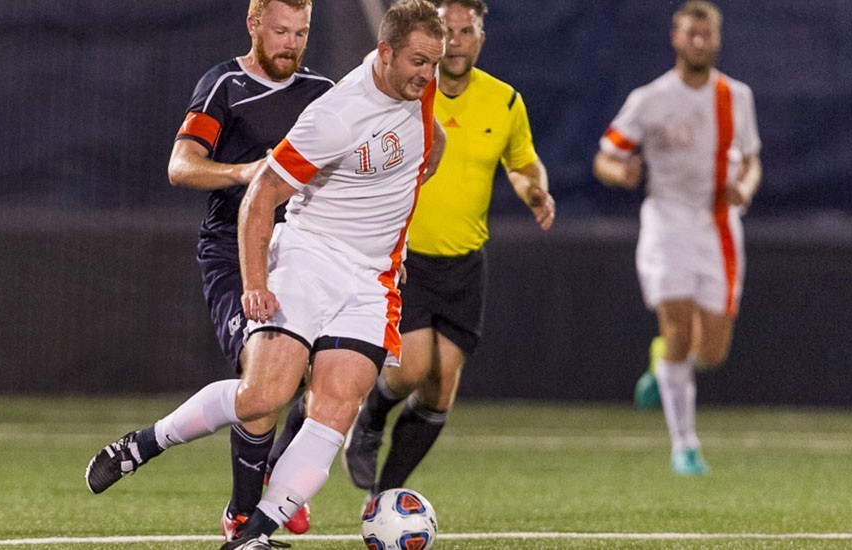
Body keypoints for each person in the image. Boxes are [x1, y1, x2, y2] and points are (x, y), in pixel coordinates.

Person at [85, 1, 446, 548]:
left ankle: (249, 533)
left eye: (435, 63)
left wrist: (402, 188)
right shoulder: (336, 111)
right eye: (419, 61)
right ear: (386, 52)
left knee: (335, 408)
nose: (428, 74)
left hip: (373, 280)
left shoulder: (418, 91)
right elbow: (261, 196)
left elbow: (431, 141)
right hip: (306, 258)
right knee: (263, 395)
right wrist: (256, 283)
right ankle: (142, 445)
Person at [341, 0, 554, 497]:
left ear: (481, 38)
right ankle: (368, 421)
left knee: (441, 390)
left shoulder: (503, 101)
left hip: (465, 264)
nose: (455, 41)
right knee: (412, 369)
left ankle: (386, 496)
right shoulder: (408, 91)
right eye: (447, 31)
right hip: (408, 257)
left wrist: (535, 191)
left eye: (466, 30)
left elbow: (522, 163)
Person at [165, 0, 332, 539]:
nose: (291, 43)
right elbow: (180, 165)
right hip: (234, 250)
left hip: (307, 252)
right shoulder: (224, 85)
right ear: (254, 25)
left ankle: (276, 478)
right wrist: (245, 173)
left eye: (301, 33)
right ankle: (242, 515)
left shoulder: (323, 95)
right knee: (261, 379)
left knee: (327, 377)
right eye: (281, 30)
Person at [592, 0, 761, 475]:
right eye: (692, 33)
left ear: (718, 40)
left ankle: (660, 362)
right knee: (680, 331)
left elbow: (750, 160)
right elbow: (605, 156)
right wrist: (619, 172)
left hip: (719, 229)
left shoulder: (736, 96)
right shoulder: (650, 99)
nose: (700, 42)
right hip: (667, 223)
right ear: (676, 38)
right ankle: (684, 445)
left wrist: (744, 187)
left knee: (711, 352)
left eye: (707, 34)